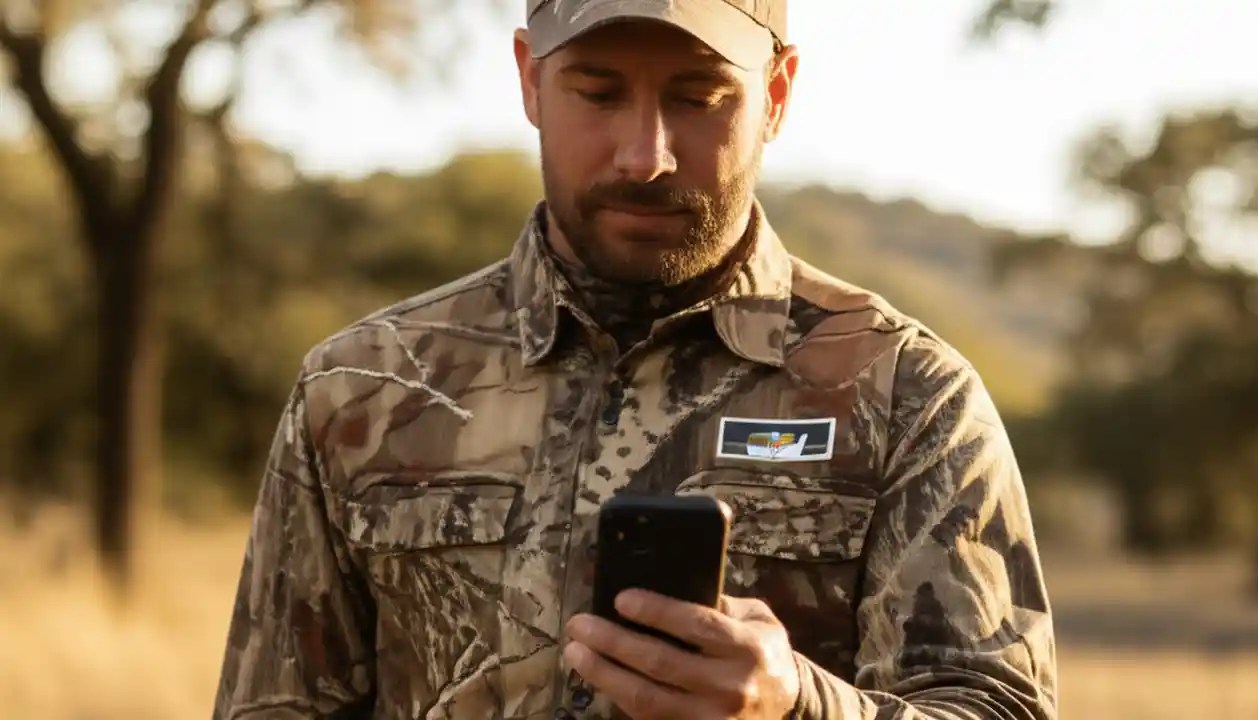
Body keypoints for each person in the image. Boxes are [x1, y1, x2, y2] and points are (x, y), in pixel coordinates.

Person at [212, 1, 1058, 718]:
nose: (644, 155)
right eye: (599, 92)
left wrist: (799, 705)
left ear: (776, 93)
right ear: (530, 81)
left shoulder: (908, 394)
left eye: (700, 96)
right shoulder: (365, 388)